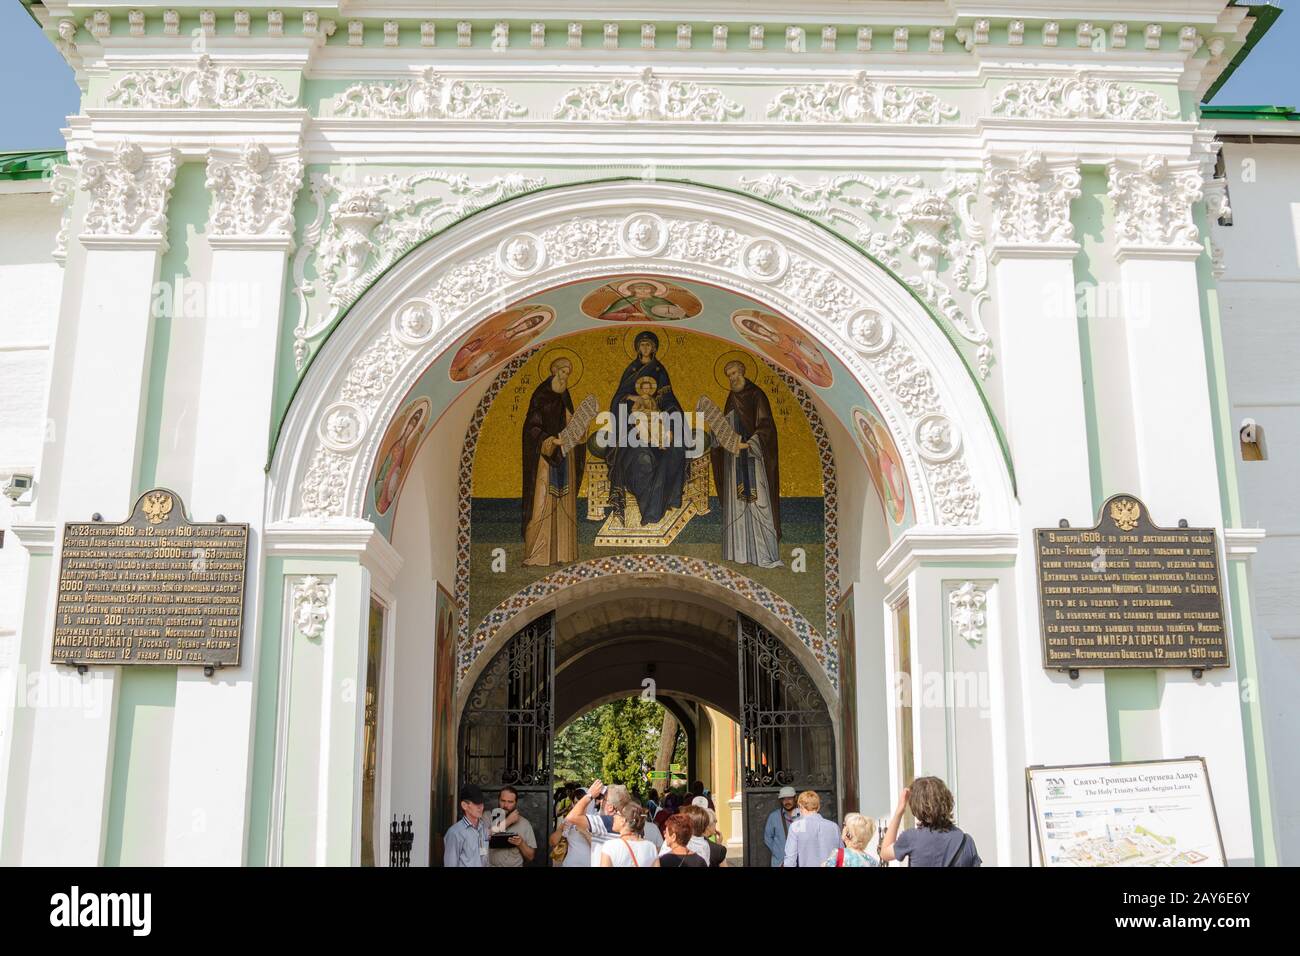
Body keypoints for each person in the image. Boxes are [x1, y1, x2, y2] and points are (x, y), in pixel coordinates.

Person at [708, 360, 783, 568]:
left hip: (754, 459)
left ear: (743, 371)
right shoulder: (731, 398)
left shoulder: (757, 395)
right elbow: (727, 426)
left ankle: (766, 554)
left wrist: (750, 444)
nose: (732, 378)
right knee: (739, 503)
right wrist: (719, 436)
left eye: (734, 373)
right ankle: (741, 553)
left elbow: (766, 428)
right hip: (735, 461)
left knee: (759, 502)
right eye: (729, 375)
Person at [521, 357, 587, 567]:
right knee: (541, 504)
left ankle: (562, 554)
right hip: (545, 459)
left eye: (568, 372)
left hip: (566, 457)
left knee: (562, 504)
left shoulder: (565, 397)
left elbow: (571, 423)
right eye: (562, 371)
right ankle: (537, 554)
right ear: (554, 371)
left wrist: (580, 430)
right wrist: (550, 441)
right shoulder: (541, 396)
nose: (565, 375)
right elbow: (531, 429)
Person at [881, 778, 982, 867]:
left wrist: (900, 810)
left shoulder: (911, 838)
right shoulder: (966, 841)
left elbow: (884, 853)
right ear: (947, 801)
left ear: (916, 806)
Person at [782, 790, 842, 868]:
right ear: (818, 807)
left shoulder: (796, 826)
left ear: (800, 806)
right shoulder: (834, 827)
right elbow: (841, 856)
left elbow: (790, 860)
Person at [597, 802, 659, 867]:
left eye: (617, 813)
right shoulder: (651, 847)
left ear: (623, 820)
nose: (614, 816)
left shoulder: (610, 846)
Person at [443, 784, 491, 867]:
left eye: (481, 803)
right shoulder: (455, 833)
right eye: (476, 803)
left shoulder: (482, 828)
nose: (480, 807)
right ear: (464, 805)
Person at [488, 785, 537, 867]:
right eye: (503, 801)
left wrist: (521, 843)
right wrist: (508, 821)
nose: (505, 805)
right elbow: (482, 837)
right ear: (498, 800)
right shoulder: (488, 817)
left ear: (516, 803)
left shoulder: (525, 823)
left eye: (510, 802)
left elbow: (531, 857)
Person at [763, 785, 800, 868]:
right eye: (784, 799)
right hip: (780, 863)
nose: (787, 802)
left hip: (801, 862)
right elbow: (767, 838)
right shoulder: (774, 816)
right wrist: (779, 854)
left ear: (795, 798)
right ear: (781, 800)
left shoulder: (802, 815)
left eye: (789, 798)